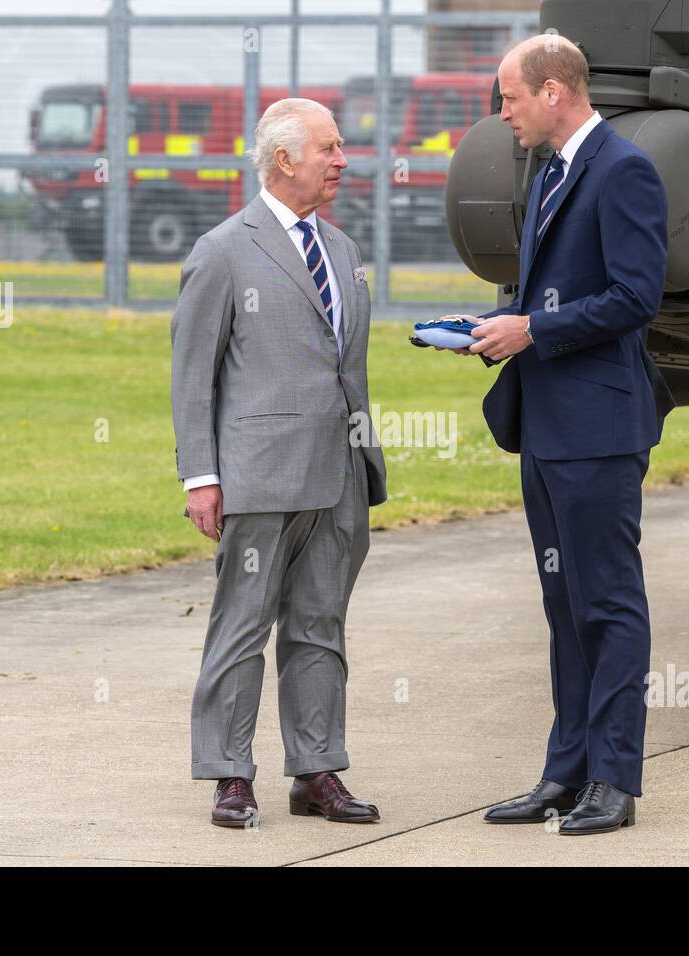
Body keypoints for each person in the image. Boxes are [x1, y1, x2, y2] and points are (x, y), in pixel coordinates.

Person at [456, 33, 676, 834]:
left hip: (597, 426)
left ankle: (614, 780)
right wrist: (491, 326)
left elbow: (634, 298)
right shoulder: (550, 170)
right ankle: (566, 771)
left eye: (509, 97)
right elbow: (551, 290)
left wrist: (534, 331)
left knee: (609, 604)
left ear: (554, 93)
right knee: (563, 603)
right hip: (547, 424)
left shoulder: (623, 170)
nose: (502, 112)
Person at [170, 97, 388, 828]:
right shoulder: (223, 250)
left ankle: (317, 770)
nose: (343, 160)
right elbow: (192, 376)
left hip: (339, 477)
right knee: (242, 626)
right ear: (284, 159)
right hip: (257, 479)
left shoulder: (345, 251)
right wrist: (201, 476)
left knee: (320, 625)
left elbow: (342, 366)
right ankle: (230, 775)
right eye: (328, 148)